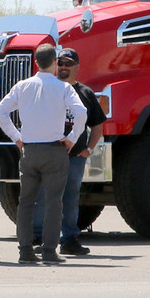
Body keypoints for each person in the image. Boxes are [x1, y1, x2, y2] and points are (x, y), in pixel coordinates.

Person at [0, 44, 87, 265]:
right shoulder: (63, 88)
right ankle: (48, 251)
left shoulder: (22, 85)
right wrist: (72, 138)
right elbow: (81, 112)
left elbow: (0, 111)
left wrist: (16, 137)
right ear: (55, 63)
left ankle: (25, 251)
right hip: (55, 150)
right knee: (54, 202)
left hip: (29, 150)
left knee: (26, 202)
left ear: (36, 62)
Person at [31, 48, 107, 255]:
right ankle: (39, 238)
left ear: (77, 67)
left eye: (68, 64)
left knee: (70, 197)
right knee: (43, 196)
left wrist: (89, 149)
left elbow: (98, 125)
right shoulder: (46, 88)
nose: (64, 68)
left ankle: (69, 240)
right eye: (61, 64)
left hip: (74, 157)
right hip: (48, 153)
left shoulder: (85, 93)